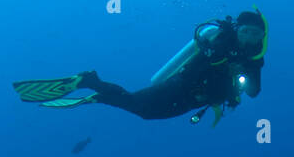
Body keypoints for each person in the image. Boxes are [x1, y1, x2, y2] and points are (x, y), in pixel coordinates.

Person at [14, 8, 267, 125]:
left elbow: (254, 92)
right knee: (139, 105)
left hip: (194, 102)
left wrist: (245, 72)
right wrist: (222, 63)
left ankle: (97, 92)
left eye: (255, 34)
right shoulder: (219, 42)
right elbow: (201, 65)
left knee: (145, 112)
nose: (249, 38)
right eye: (245, 31)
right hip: (180, 87)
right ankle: (90, 83)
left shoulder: (254, 60)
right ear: (237, 29)